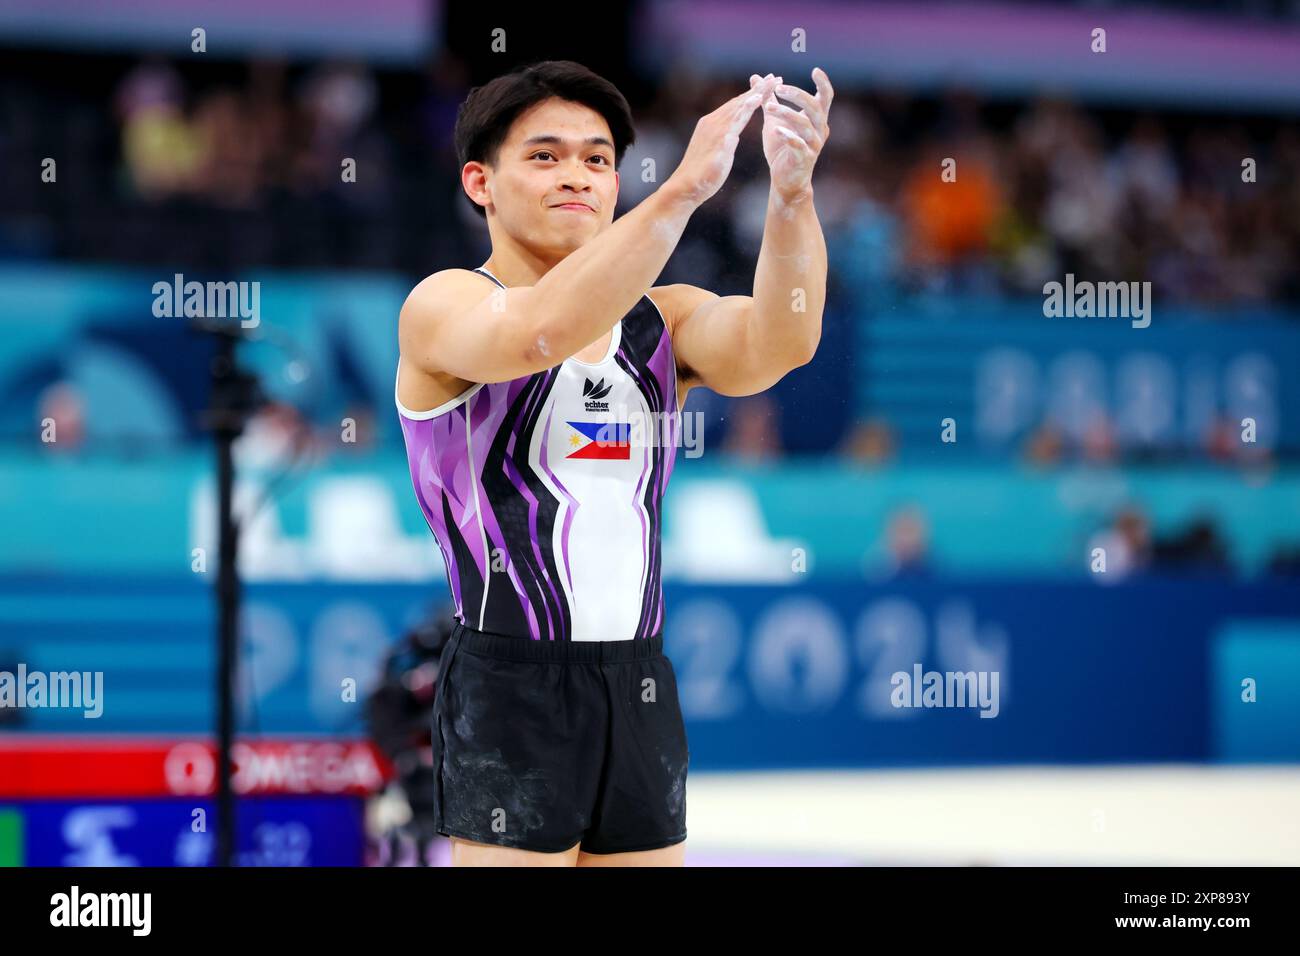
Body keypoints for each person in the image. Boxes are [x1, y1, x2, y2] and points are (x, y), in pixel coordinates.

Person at [394, 60, 832, 866]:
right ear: (479, 182)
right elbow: (535, 336)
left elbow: (783, 341)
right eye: (546, 156)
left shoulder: (663, 323)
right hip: (508, 681)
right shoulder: (442, 304)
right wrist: (682, 195)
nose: (578, 177)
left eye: (598, 160)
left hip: (638, 682)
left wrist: (793, 200)